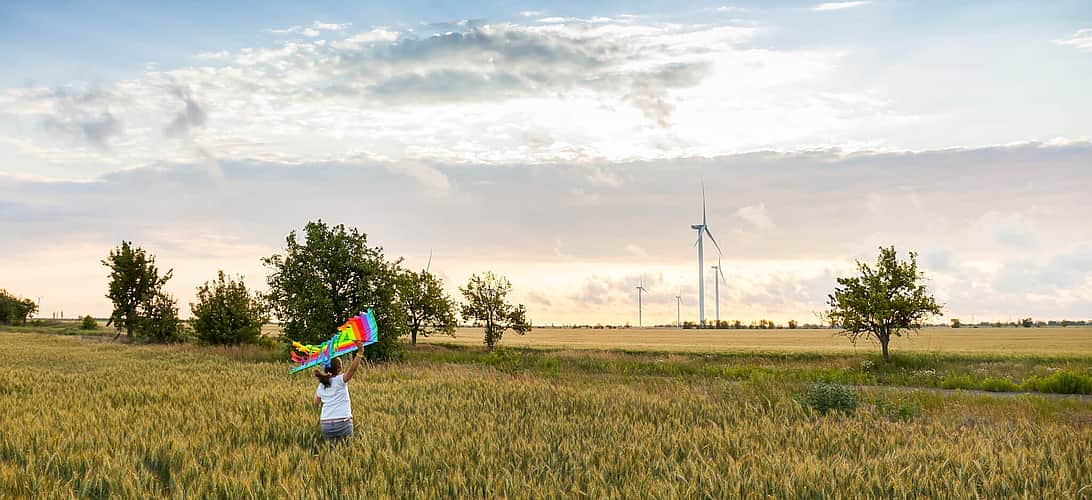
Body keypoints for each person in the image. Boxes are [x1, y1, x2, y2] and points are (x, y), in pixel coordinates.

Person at [312, 340, 366, 442]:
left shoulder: (321, 385)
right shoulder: (340, 380)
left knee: (331, 452)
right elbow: (352, 370)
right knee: (345, 453)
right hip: (343, 422)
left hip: (326, 423)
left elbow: (316, 402)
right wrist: (360, 352)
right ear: (339, 369)